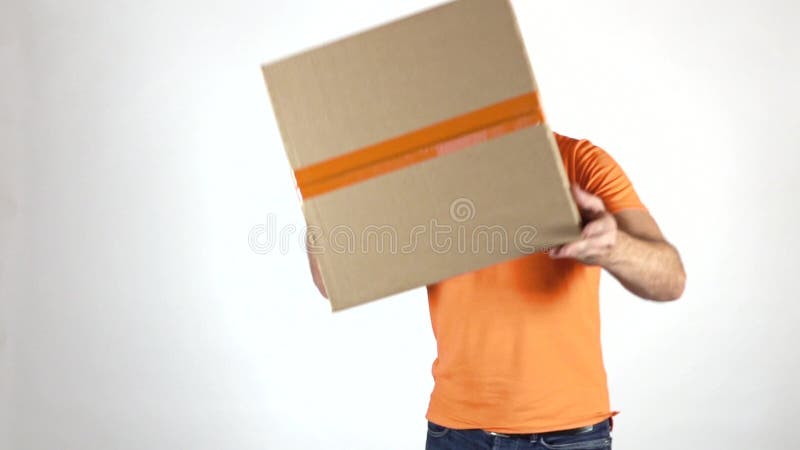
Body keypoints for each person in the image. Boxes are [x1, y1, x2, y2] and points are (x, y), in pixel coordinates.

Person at [307, 132, 686, 450]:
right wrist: (320, 193)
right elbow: (330, 280)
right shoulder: (421, 178)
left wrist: (613, 247)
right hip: (455, 433)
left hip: (568, 436)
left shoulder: (578, 161)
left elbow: (670, 280)